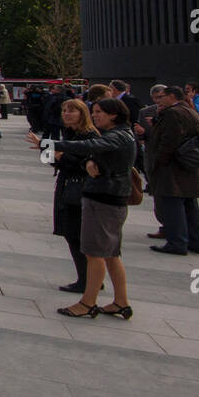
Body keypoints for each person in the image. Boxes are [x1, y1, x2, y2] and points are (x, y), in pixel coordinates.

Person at [26, 98, 136, 318]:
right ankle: (120, 301)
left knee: (94, 253)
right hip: (109, 197)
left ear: (113, 115)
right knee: (111, 254)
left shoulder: (116, 136)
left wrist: (51, 145)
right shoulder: (121, 135)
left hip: (103, 199)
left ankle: (88, 302)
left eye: (99, 112)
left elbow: (89, 147)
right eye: (93, 112)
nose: (95, 116)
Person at [44, 99, 97, 293]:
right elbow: (51, 160)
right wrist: (51, 154)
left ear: (82, 113)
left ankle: (88, 280)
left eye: (72, 111)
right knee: (71, 235)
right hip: (67, 186)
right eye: (65, 110)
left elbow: (88, 165)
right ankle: (89, 277)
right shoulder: (68, 132)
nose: (66, 114)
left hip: (79, 189)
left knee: (77, 235)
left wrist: (61, 156)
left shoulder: (88, 135)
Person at [147, 86, 199, 256]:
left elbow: (169, 140)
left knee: (172, 204)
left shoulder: (172, 113)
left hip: (173, 167)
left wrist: (159, 161)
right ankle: (197, 241)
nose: (159, 101)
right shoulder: (190, 111)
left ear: (172, 96)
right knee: (189, 204)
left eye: (162, 97)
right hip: (189, 164)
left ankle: (177, 241)